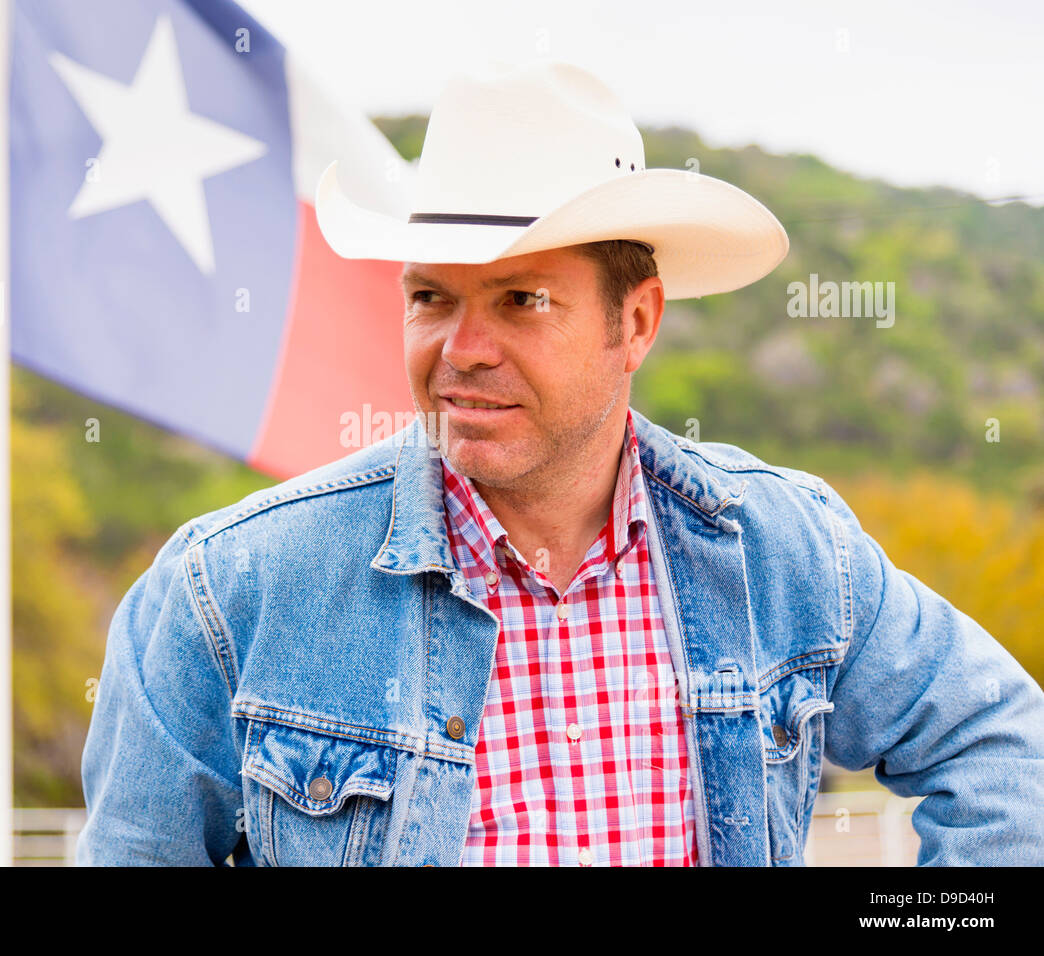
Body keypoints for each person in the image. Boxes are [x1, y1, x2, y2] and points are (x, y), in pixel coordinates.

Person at [76, 60, 1044, 866]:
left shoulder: (783, 553)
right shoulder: (224, 592)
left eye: (520, 300)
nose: (459, 349)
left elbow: (1002, 749)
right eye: (429, 298)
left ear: (637, 321)